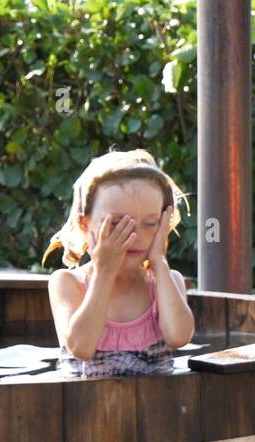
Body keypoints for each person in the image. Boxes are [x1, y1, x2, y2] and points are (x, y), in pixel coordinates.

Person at [43, 149, 194, 377]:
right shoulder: (67, 283)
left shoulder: (166, 281)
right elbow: (81, 347)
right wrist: (104, 272)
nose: (135, 235)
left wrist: (159, 263)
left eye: (150, 223)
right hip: (85, 408)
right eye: (118, 224)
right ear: (85, 225)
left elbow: (179, 337)